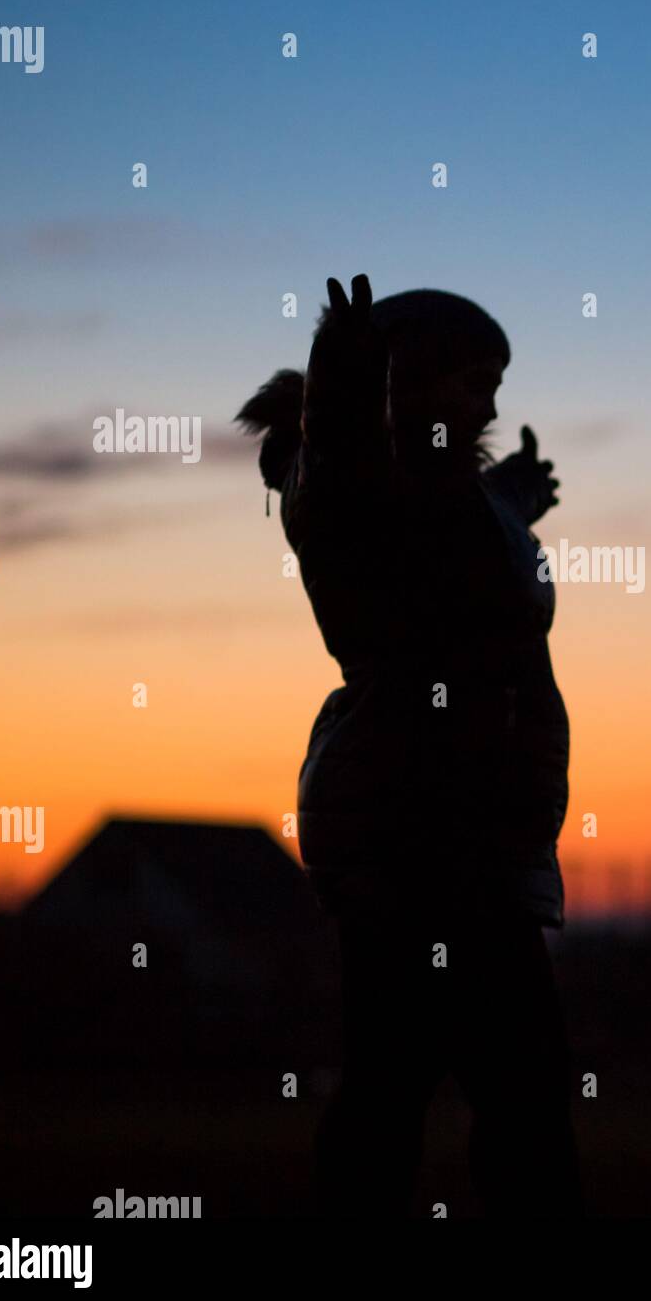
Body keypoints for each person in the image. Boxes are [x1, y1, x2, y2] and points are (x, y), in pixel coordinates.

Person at [235, 275, 582, 1217]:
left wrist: (511, 496)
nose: (494, 403)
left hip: (461, 834)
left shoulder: (445, 496)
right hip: (421, 834)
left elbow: (446, 532)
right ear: (411, 382)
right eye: (475, 381)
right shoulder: (352, 481)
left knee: (414, 1084)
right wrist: (343, 388)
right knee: (505, 1090)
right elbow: (350, 481)